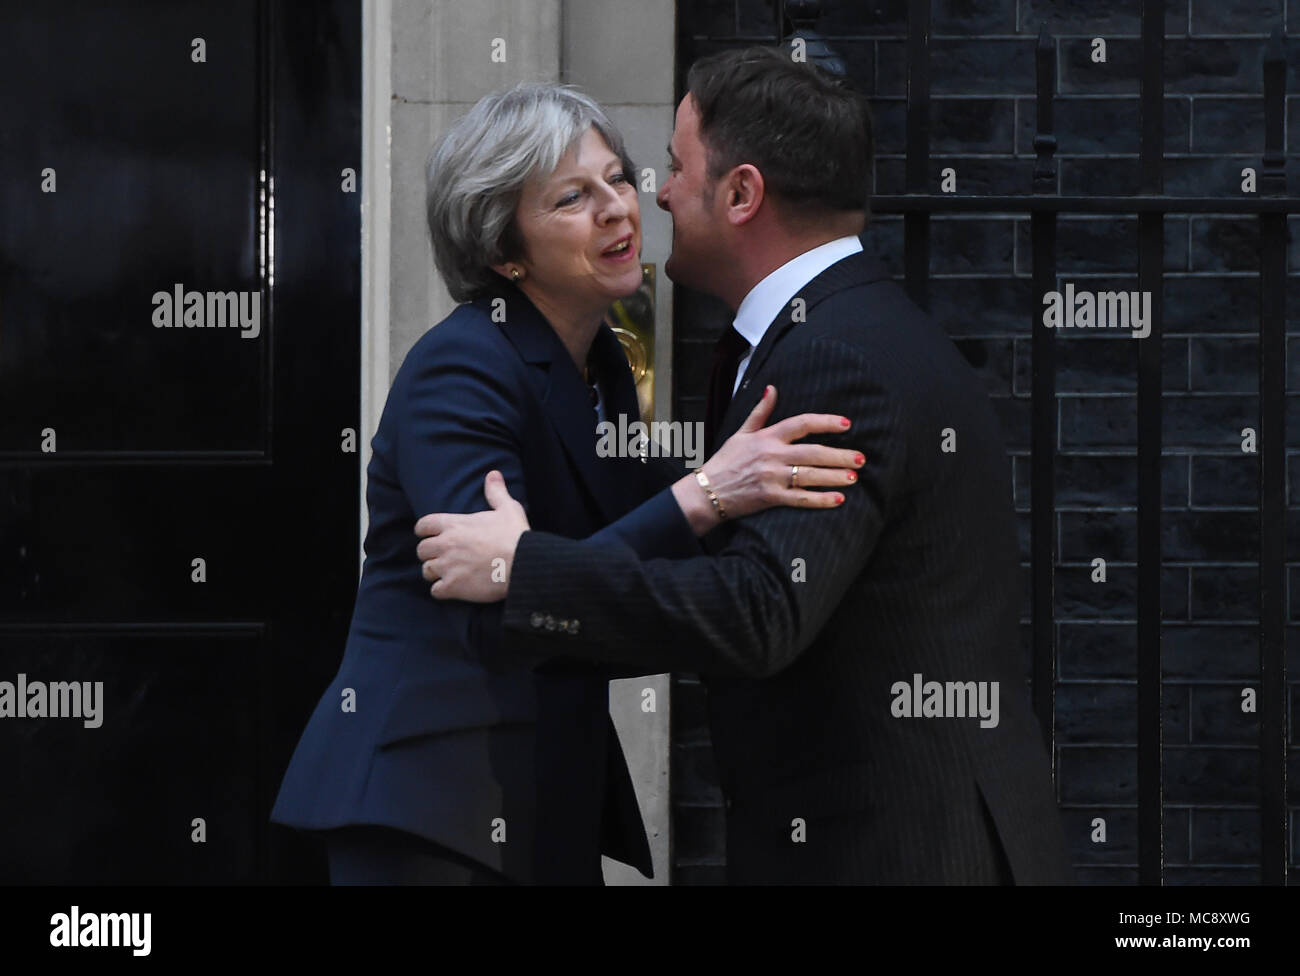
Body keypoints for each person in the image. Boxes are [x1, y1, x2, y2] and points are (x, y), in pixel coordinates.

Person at [416, 48, 1075, 884]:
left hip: (902, 849)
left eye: (668, 168)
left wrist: (522, 569)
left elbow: (761, 609)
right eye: (583, 192)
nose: (650, 196)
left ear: (741, 194)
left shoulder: (837, 359)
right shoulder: (828, 334)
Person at [269, 82, 862, 885]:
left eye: (617, 178)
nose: (619, 208)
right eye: (571, 198)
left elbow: (617, 564)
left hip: (534, 798)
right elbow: (499, 615)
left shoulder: (602, 366)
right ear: (503, 250)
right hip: (428, 803)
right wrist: (704, 494)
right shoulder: (463, 365)